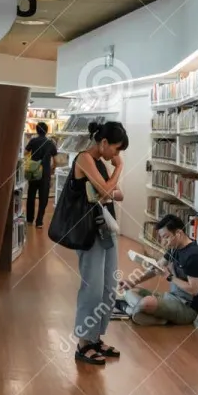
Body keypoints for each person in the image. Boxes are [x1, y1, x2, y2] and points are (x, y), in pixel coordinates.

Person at [71, 121, 128, 366]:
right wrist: (120, 169)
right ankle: (84, 342)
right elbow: (107, 193)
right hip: (89, 231)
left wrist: (109, 186)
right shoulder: (84, 159)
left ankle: (96, 337)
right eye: (116, 149)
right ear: (103, 143)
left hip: (107, 229)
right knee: (92, 287)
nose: (117, 155)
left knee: (109, 285)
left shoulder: (103, 166)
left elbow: (118, 194)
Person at [118, 214, 198, 328]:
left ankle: (133, 311)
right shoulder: (174, 248)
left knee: (147, 303)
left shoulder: (194, 256)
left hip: (187, 309)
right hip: (170, 297)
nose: (164, 242)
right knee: (130, 291)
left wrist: (170, 277)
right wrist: (133, 282)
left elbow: (193, 290)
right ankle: (138, 313)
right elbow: (157, 267)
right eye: (162, 238)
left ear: (179, 233)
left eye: (166, 237)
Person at [23, 122, 58, 228]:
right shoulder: (50, 143)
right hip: (45, 173)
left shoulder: (33, 141)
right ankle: (39, 222)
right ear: (46, 131)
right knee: (43, 198)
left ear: (37, 130)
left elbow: (25, 153)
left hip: (34, 172)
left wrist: (31, 160)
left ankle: (29, 219)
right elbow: (55, 160)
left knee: (31, 196)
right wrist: (52, 169)